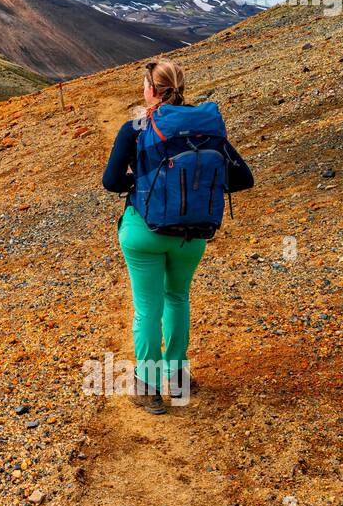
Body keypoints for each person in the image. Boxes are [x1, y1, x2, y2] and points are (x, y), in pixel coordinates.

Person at [101, 59, 253, 414]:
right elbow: (244, 179)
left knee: (147, 309)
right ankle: (178, 378)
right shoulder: (207, 129)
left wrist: (140, 182)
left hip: (145, 232)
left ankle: (148, 387)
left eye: (144, 85)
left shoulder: (135, 127)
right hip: (192, 234)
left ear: (151, 90)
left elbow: (110, 182)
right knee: (178, 298)